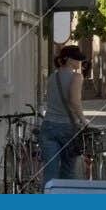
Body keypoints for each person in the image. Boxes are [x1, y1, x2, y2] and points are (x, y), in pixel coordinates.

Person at [41, 44, 86, 189]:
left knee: (50, 173)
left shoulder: (52, 77)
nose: (79, 62)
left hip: (48, 126)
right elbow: (74, 101)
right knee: (68, 172)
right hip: (67, 128)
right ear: (69, 60)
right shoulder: (76, 77)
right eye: (77, 59)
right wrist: (83, 120)